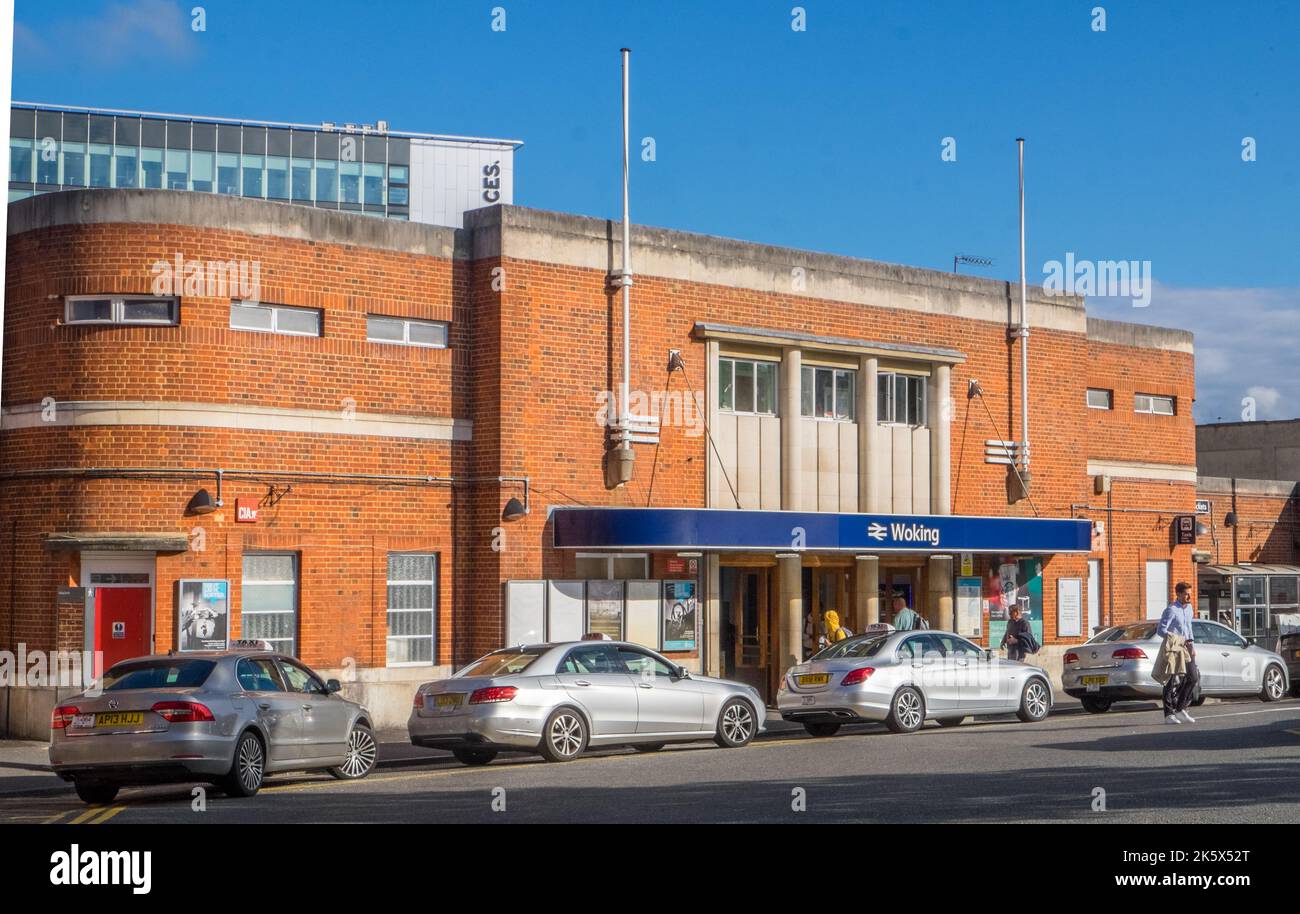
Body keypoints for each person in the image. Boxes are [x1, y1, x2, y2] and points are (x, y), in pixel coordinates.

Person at [1156, 582, 1199, 724]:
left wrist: (1192, 646)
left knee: (1193, 677)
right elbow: (1160, 630)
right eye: (1186, 593)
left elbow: (1189, 628)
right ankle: (1168, 714)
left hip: (1186, 647)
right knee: (1170, 680)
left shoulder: (1189, 609)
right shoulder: (1171, 610)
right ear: (1179, 594)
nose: (1189, 596)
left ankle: (1180, 709)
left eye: (1190, 593)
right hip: (1174, 647)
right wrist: (1174, 638)